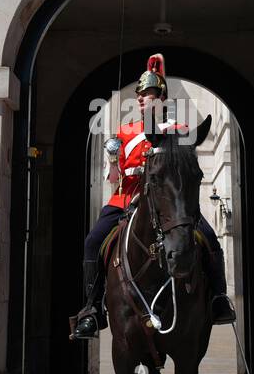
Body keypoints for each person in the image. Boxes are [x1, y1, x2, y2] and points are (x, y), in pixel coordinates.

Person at [71, 53, 236, 340]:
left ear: (161, 97)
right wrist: (113, 160)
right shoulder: (124, 132)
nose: (140, 99)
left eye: (147, 94)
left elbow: (184, 170)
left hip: (169, 204)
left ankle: (218, 298)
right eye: (139, 95)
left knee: (209, 238)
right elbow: (115, 179)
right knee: (92, 241)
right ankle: (92, 309)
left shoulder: (180, 130)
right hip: (128, 199)